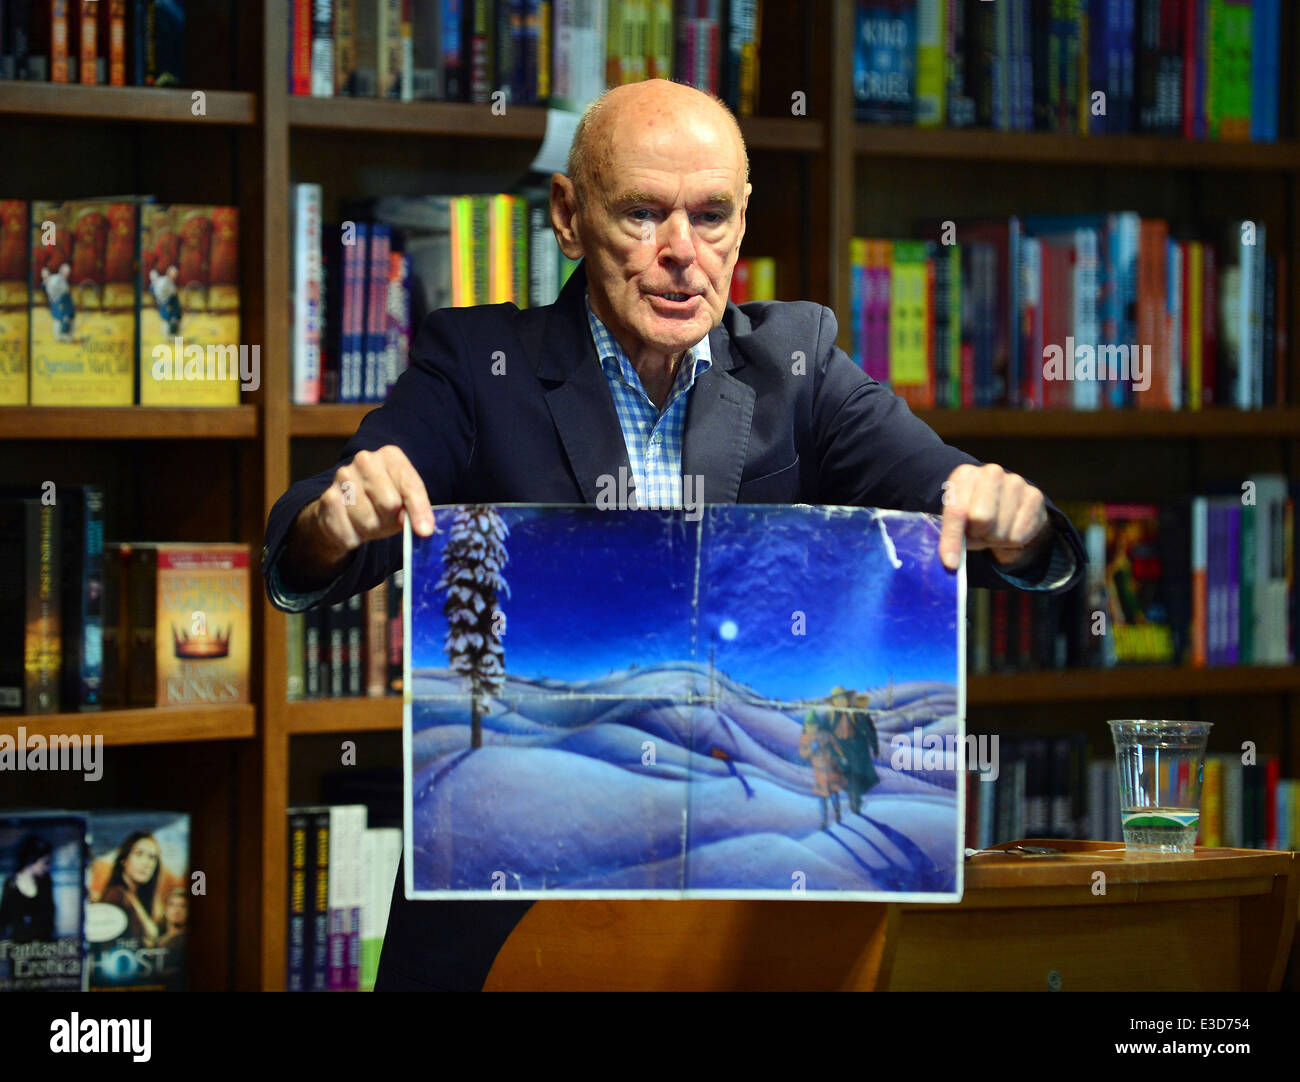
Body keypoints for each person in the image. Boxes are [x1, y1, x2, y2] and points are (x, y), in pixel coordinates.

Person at [263, 79, 1084, 990]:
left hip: (739, 943)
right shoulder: (476, 366)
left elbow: (957, 502)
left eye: (711, 216)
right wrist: (338, 520)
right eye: (644, 215)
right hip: (500, 936)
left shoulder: (799, 366)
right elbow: (317, 546)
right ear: (569, 217)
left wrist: (1014, 523)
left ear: (742, 222)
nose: (681, 254)